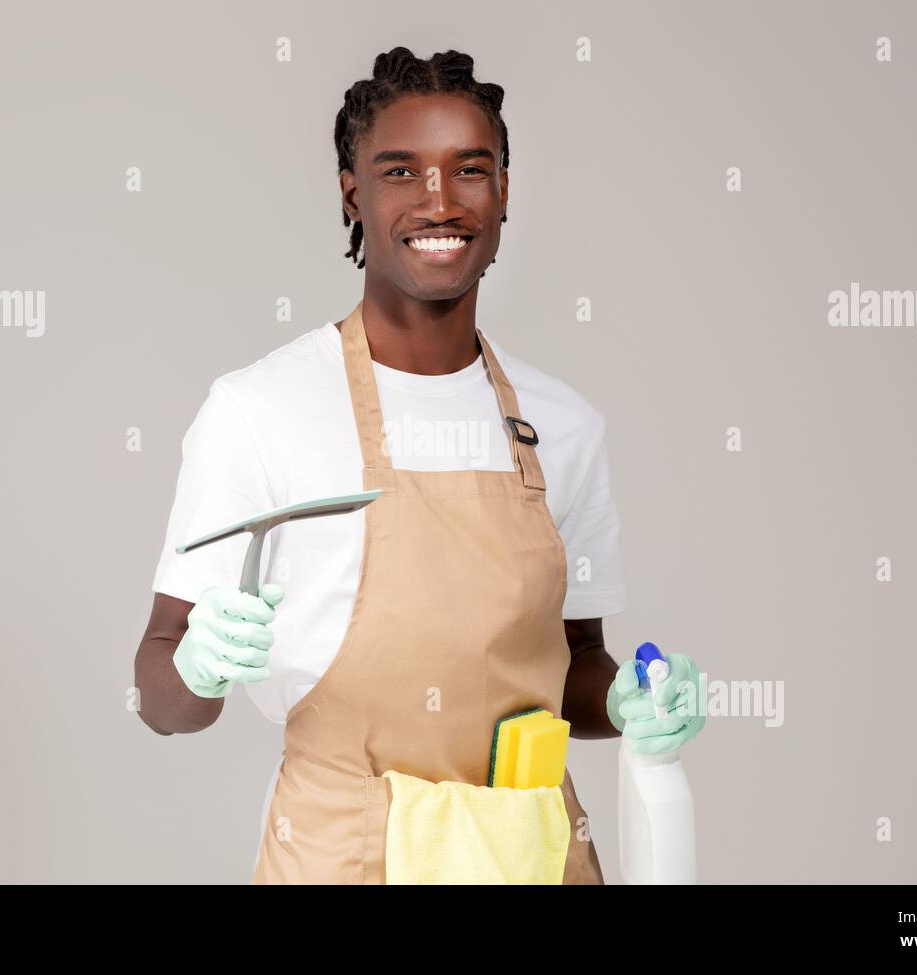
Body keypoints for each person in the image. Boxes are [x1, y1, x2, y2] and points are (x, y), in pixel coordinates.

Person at [133, 46, 705, 884]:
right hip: (344, 854)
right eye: (401, 171)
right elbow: (160, 697)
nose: (439, 200)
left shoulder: (565, 425)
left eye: (469, 169)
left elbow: (577, 660)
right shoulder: (259, 409)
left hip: (531, 856)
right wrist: (196, 667)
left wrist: (626, 703)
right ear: (353, 194)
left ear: (504, 191)